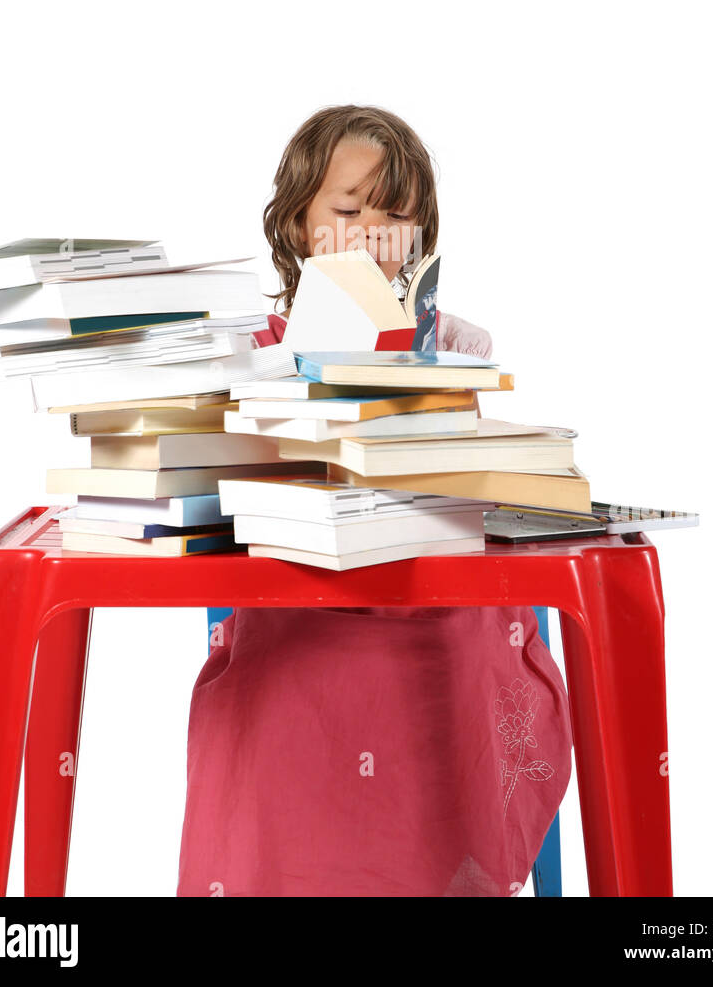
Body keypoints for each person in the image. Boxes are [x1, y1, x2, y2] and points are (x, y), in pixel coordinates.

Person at [177, 104, 572, 897]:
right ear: (298, 225)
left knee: (458, 663)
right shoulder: (256, 346)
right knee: (280, 685)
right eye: (348, 212)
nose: (371, 236)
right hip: (299, 599)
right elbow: (221, 489)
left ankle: (445, 874)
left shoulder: (458, 346)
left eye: (396, 218)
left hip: (433, 598)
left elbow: (470, 488)